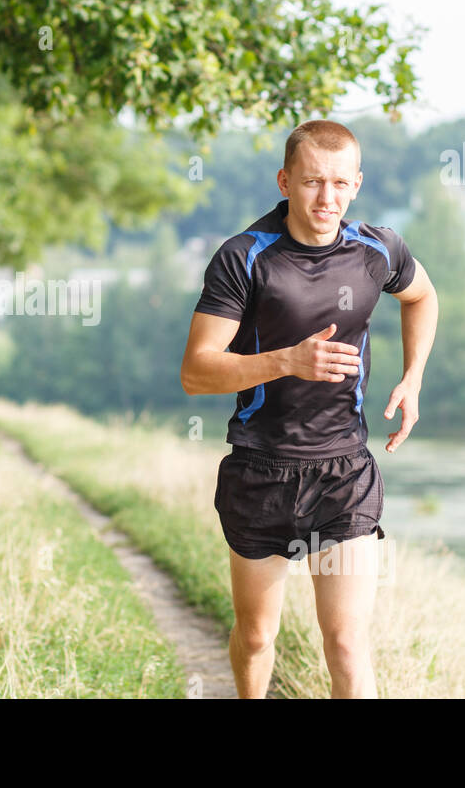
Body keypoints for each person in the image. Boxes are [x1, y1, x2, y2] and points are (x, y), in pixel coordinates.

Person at [180, 119, 439, 698]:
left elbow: (423, 295)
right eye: (313, 182)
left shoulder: (378, 249)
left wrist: (414, 378)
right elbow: (197, 371)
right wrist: (287, 361)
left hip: (343, 470)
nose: (327, 198)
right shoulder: (244, 257)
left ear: (357, 185)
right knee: (254, 636)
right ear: (284, 181)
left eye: (340, 183)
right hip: (261, 469)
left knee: (346, 642)